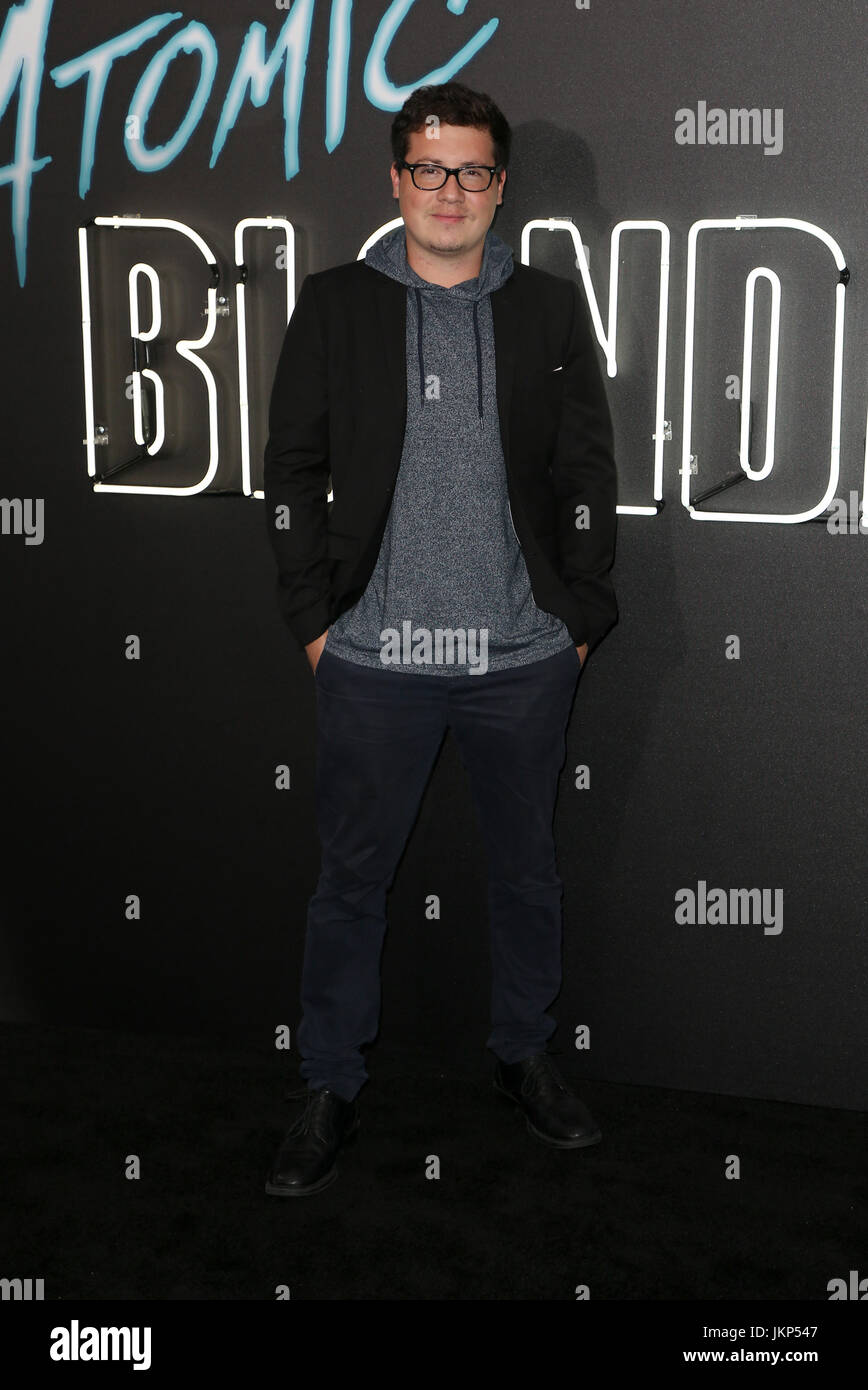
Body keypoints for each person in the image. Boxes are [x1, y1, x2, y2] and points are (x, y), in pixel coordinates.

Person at [262, 81, 618, 1197]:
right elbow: (291, 471)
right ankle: (328, 1080)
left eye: (471, 170)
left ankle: (522, 1055)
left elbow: (586, 474)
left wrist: (581, 619)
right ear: (396, 180)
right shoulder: (332, 304)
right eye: (429, 168)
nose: (449, 190)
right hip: (372, 661)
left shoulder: (553, 310)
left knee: (525, 875)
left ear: (499, 187)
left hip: (521, 661)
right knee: (350, 881)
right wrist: (316, 623)